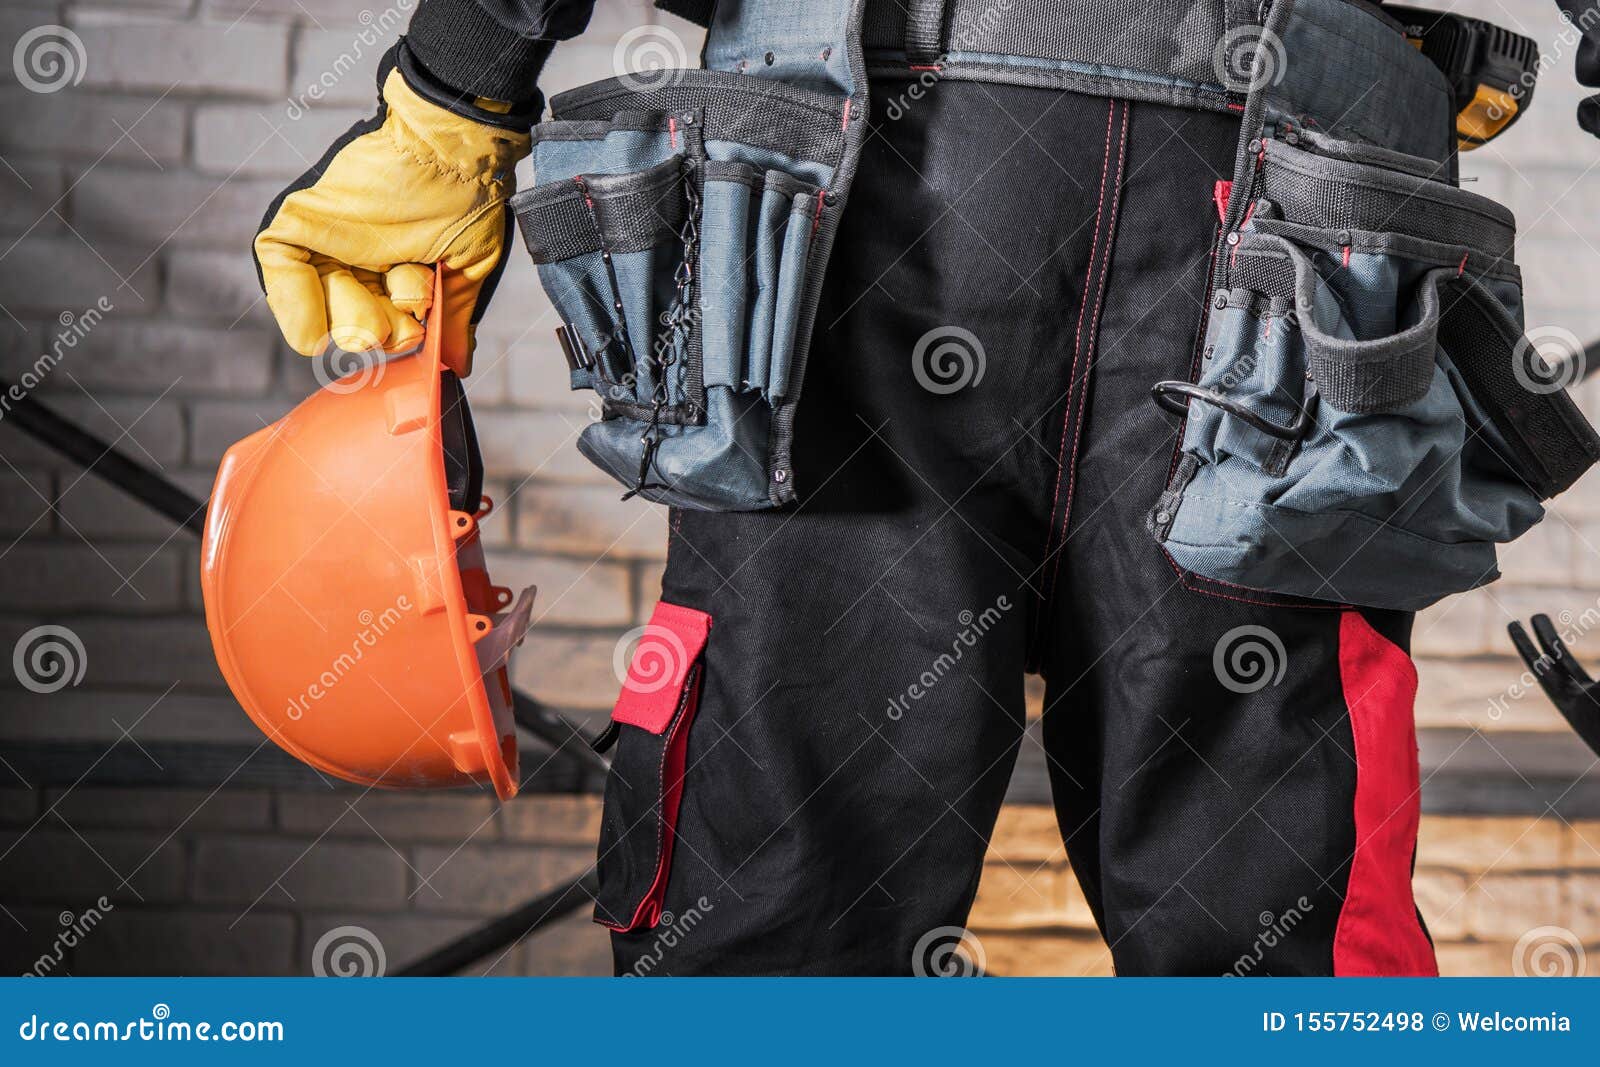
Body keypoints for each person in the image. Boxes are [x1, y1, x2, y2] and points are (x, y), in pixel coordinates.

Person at [252, 0, 1600, 975]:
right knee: (1279, 941)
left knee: (778, 926)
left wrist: (453, 96)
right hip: (1302, 199)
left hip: (866, 176)